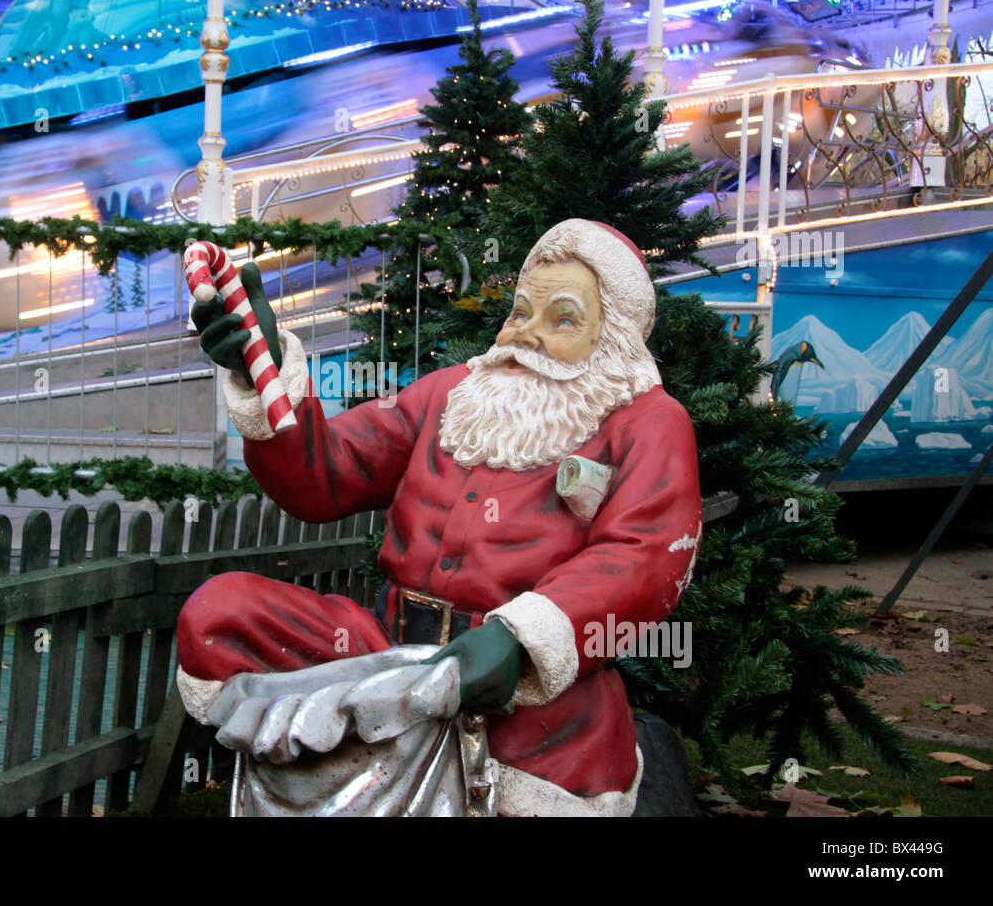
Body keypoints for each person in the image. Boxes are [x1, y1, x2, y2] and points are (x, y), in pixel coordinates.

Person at [176, 218, 703, 816]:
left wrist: (519, 639)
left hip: (521, 694)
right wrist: (261, 371)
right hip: (384, 648)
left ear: (613, 341)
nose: (525, 335)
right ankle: (351, 745)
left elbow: (644, 555)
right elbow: (325, 474)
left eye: (562, 319)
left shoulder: (648, 423)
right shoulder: (451, 394)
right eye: (521, 310)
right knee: (219, 615)